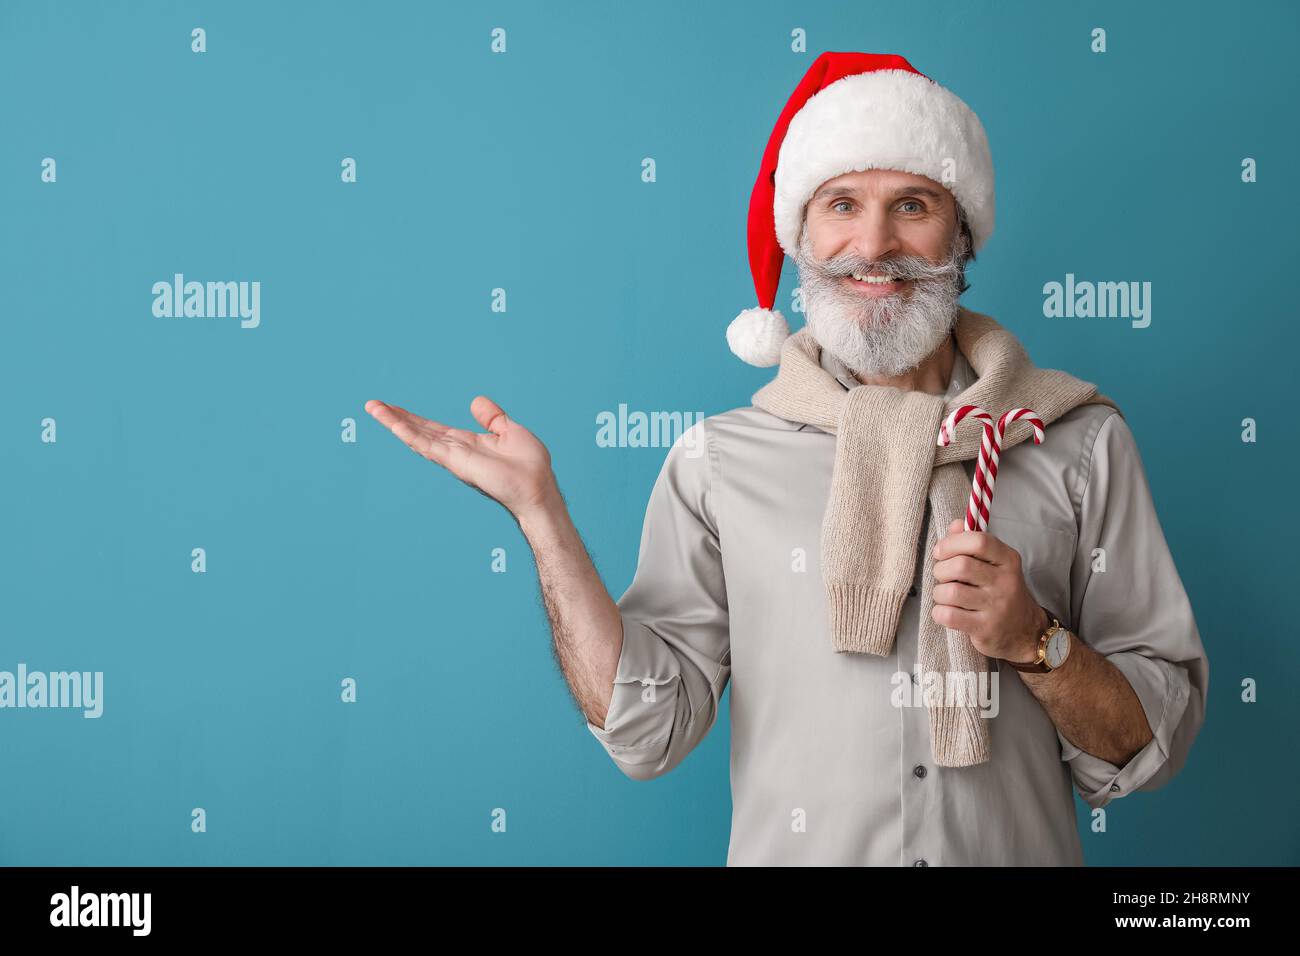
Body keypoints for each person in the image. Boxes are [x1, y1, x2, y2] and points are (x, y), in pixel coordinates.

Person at [365, 51, 1208, 866]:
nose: (873, 246)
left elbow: (1148, 745)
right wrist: (542, 518)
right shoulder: (719, 463)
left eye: (911, 204)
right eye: (841, 204)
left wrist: (1035, 640)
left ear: (963, 233)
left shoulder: (1078, 441)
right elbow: (643, 732)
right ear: (800, 234)